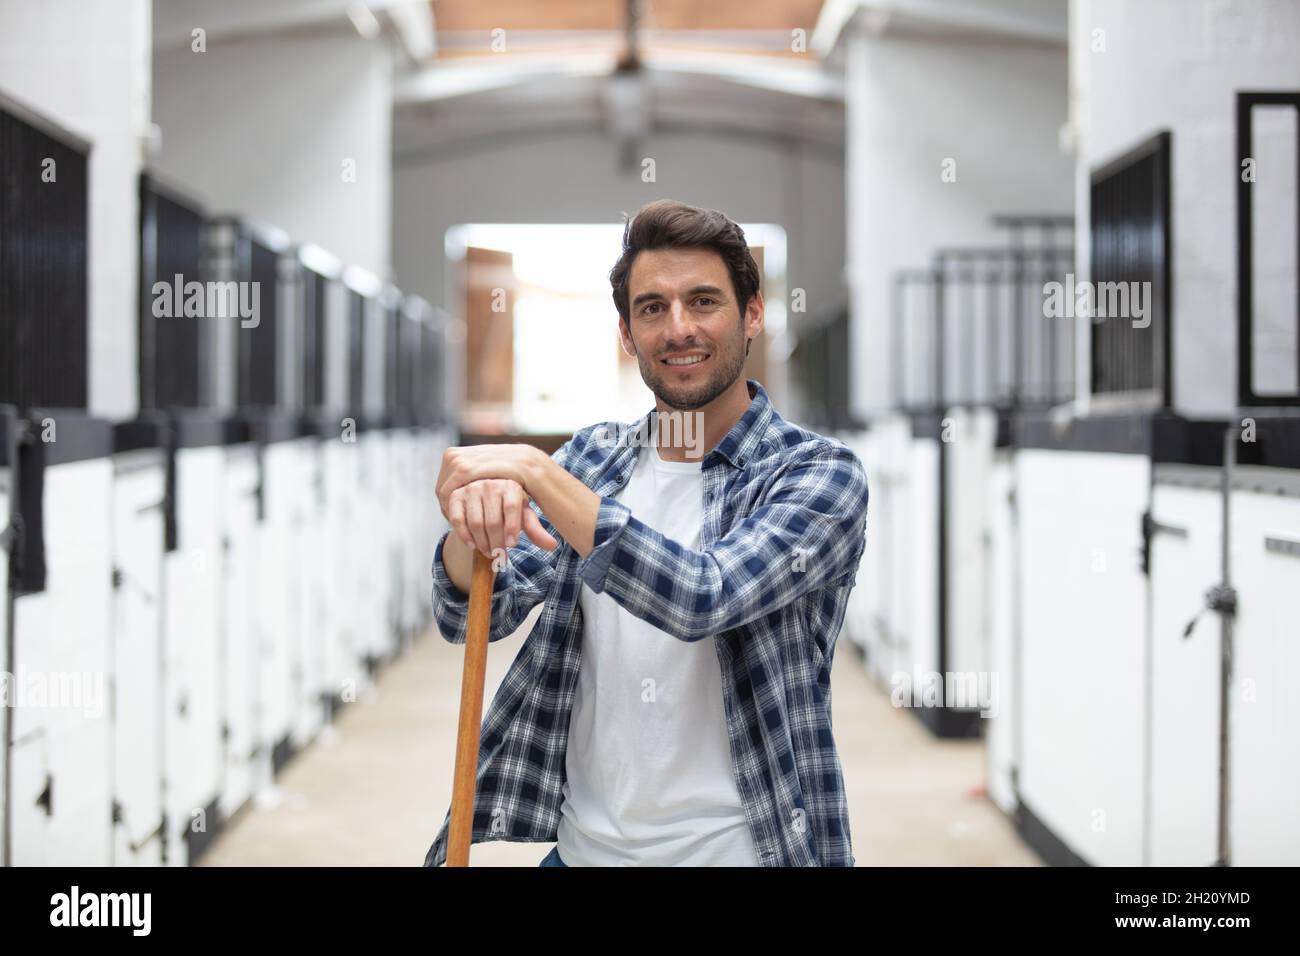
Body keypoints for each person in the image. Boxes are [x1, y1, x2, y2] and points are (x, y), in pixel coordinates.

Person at [424, 199, 868, 867]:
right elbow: (475, 614)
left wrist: (535, 472)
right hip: (582, 853)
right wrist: (471, 521)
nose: (678, 328)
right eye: (652, 308)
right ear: (628, 334)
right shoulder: (591, 462)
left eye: (704, 301)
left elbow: (703, 596)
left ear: (752, 313)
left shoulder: (816, 475)